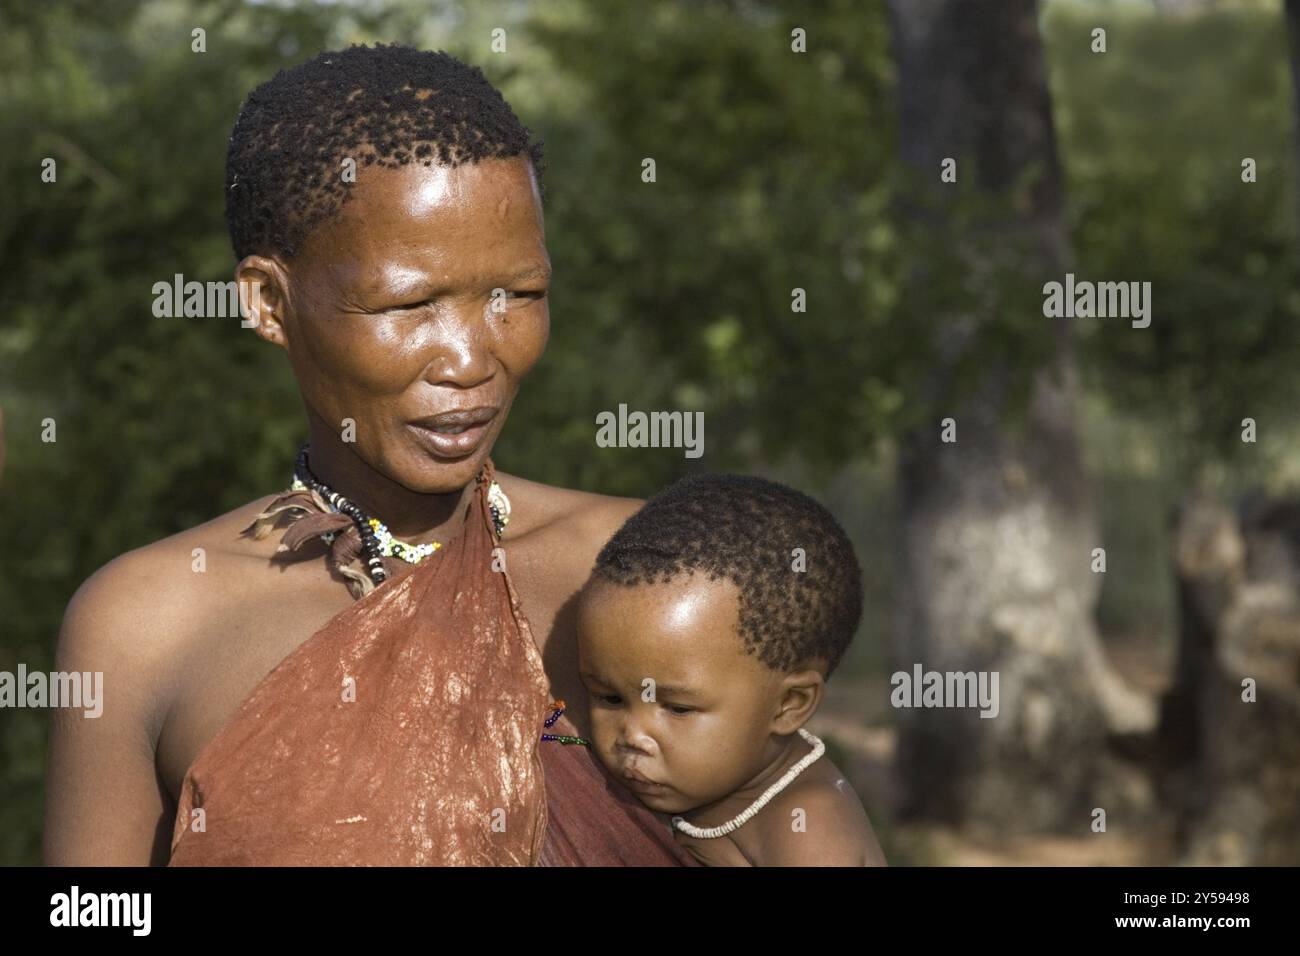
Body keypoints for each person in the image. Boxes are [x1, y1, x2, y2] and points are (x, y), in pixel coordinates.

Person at [42, 44, 698, 866]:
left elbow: (799, 821)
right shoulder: (145, 626)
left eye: (518, 297)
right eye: (407, 303)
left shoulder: (653, 574)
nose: (470, 359)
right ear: (270, 302)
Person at [575, 473, 888, 866]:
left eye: (678, 708)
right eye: (609, 698)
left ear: (789, 705)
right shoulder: (717, 788)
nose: (633, 736)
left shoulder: (806, 828)